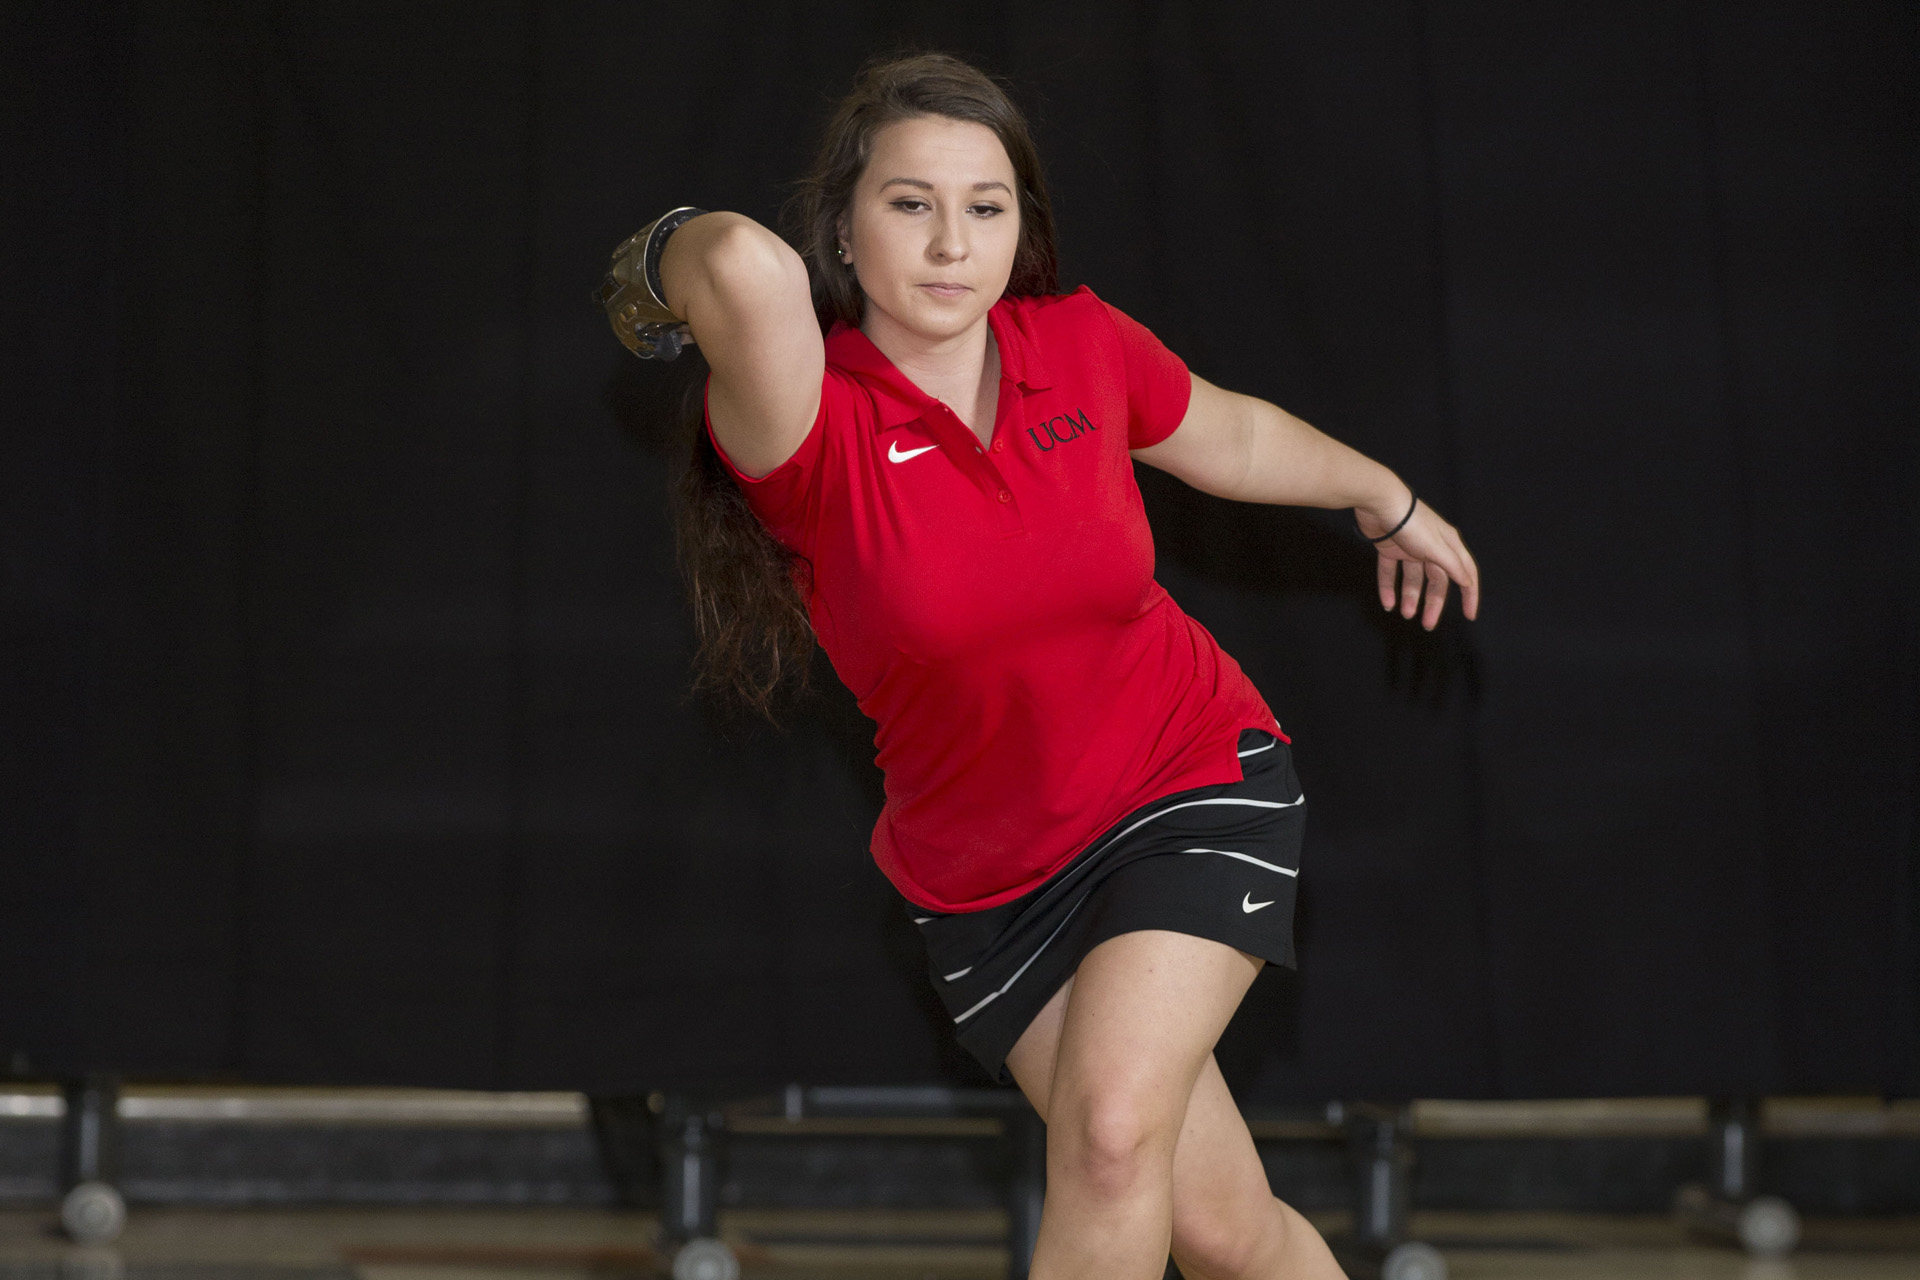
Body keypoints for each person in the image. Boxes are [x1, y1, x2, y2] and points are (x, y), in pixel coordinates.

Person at [616, 51, 1478, 1280]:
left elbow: (1224, 429)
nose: (951, 242)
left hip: (1186, 775)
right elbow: (742, 264)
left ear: (1022, 229)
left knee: (1112, 1143)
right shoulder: (808, 423)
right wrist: (652, 265)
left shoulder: (1077, 343)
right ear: (846, 238)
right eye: (910, 204)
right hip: (991, 879)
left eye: (987, 205)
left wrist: (1381, 496)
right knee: (1223, 1228)